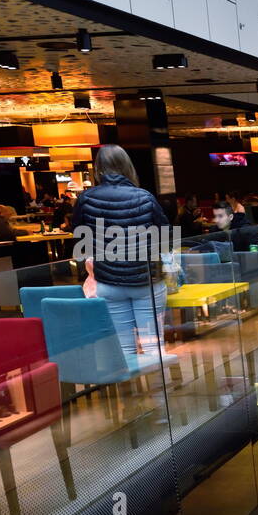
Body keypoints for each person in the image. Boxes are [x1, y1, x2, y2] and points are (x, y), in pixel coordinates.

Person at [71, 144, 170, 362]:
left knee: (125, 350)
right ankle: (160, 395)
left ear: (98, 168)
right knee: (153, 347)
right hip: (147, 280)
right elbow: (165, 235)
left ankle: (134, 395)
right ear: (128, 166)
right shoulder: (144, 197)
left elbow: (79, 238)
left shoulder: (86, 199)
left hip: (108, 281)